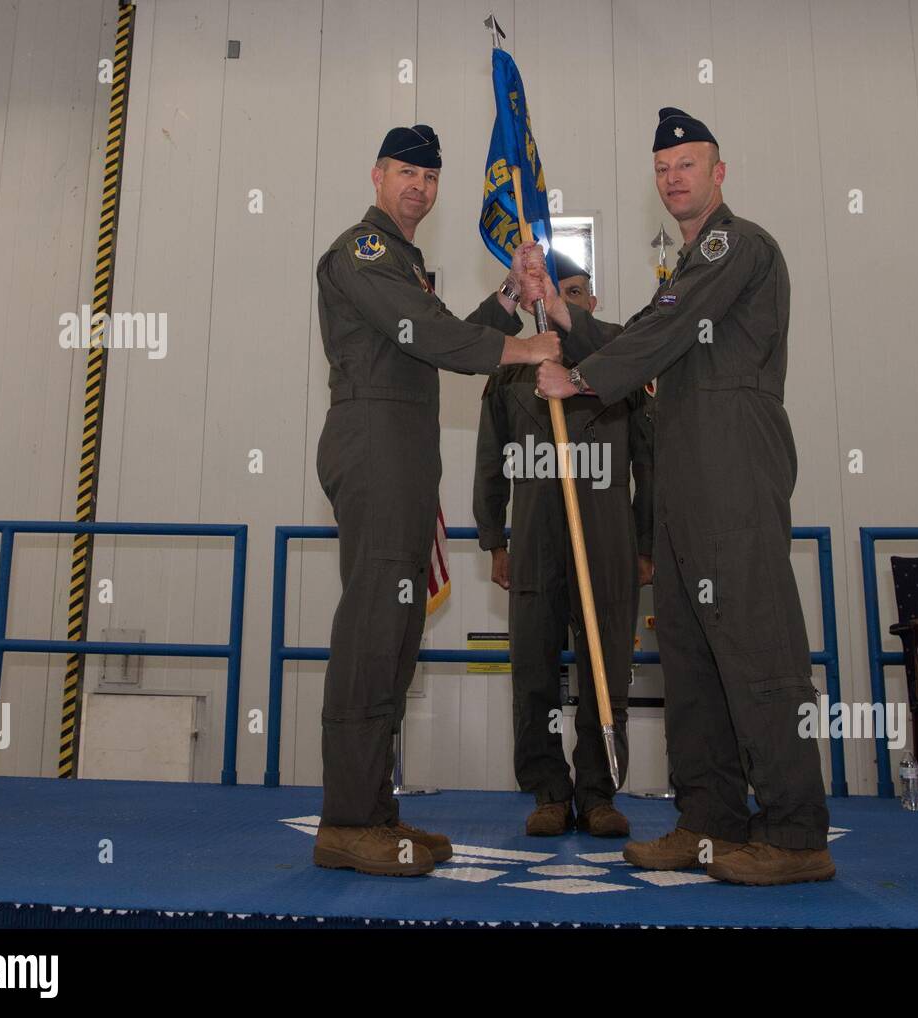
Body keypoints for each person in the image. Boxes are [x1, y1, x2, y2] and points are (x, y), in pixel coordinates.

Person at [534, 108, 834, 886]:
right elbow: (646, 329)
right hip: (680, 480)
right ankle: (708, 823)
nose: (673, 177)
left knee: (759, 649)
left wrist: (581, 376)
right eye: (663, 168)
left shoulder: (739, 245)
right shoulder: (689, 271)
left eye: (688, 164)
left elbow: (655, 335)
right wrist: (564, 315)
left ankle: (797, 834)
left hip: (733, 466)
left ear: (719, 173)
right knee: (691, 658)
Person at [313, 123, 558, 877]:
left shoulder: (404, 262)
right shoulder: (361, 251)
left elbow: (439, 333)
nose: (419, 186)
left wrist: (510, 298)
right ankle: (347, 821)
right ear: (377, 175)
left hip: (404, 455)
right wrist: (523, 348)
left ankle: (374, 813)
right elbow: (424, 333)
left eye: (431, 176)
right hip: (375, 447)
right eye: (405, 173)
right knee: (372, 634)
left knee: (396, 636)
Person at [473, 251, 653, 838]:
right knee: (534, 672)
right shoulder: (511, 375)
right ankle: (549, 791)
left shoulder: (622, 368)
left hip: (605, 541)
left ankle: (599, 793)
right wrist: (493, 540)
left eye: (575, 293)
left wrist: (646, 541)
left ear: (591, 302)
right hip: (535, 542)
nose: (565, 305)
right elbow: (490, 465)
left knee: (608, 672)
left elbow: (651, 462)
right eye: (554, 294)